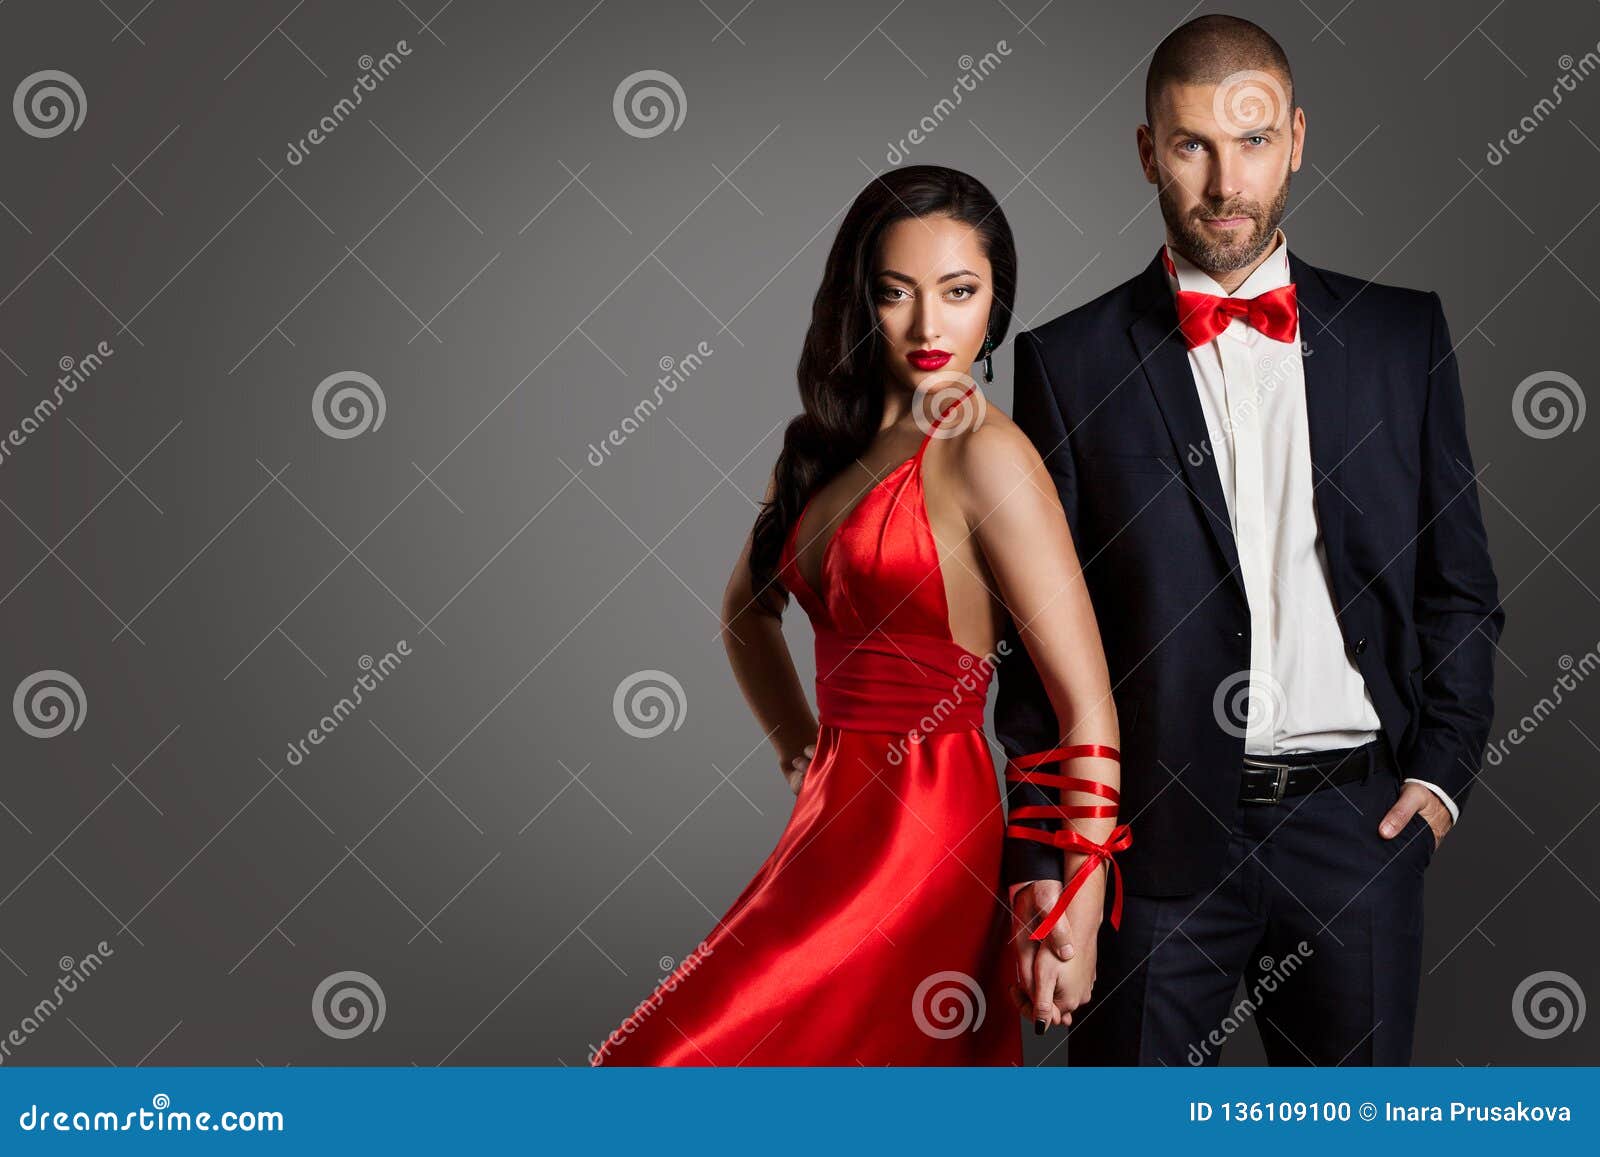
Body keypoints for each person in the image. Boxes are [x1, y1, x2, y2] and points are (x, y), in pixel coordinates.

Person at [994, 14, 1503, 1065]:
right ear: (1147, 152)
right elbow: (1037, 638)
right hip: (1151, 842)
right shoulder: (1066, 363)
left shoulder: (1401, 336)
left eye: (1254, 140)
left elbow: (1458, 582)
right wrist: (1043, 851)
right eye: (1191, 145)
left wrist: (1443, 775)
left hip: (1356, 834)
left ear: (1298, 139)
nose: (1227, 182)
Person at [592, 165, 1125, 1065]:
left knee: (664, 1067)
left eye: (960, 293)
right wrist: (801, 749)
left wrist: (1078, 906)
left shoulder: (989, 456)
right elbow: (745, 615)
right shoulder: (818, 446)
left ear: (996, 303)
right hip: (831, 823)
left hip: (927, 833)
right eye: (895, 293)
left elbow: (1087, 702)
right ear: (858, 300)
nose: (928, 327)